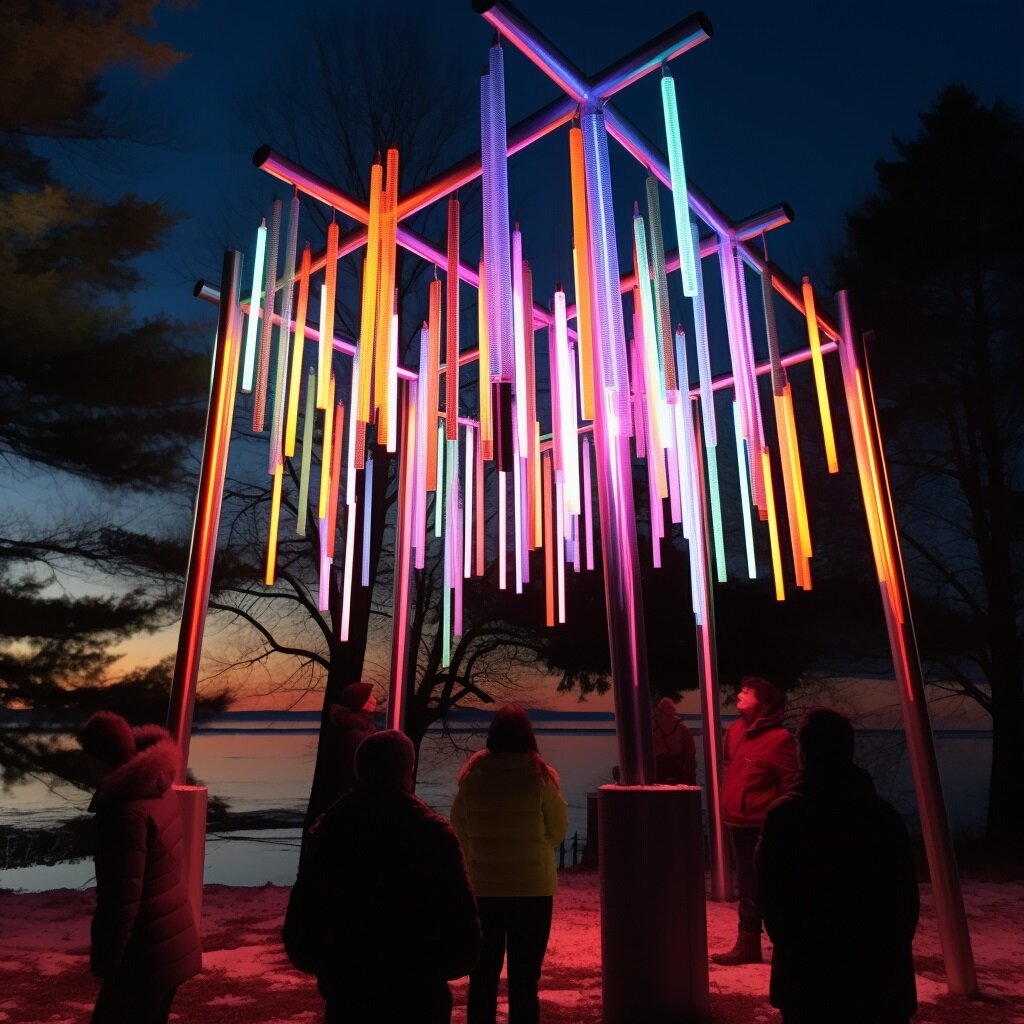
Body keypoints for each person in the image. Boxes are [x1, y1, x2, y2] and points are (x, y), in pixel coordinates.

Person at [290, 729, 481, 1024]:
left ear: (359, 770)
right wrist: (432, 968)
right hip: (420, 994)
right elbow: (463, 931)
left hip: (350, 993)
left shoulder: (332, 832)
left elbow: (303, 923)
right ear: (407, 771)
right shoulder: (432, 835)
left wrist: (331, 966)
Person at [757, 708, 919, 1024]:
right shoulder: (882, 816)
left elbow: (773, 900)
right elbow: (904, 903)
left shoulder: (786, 817)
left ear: (803, 751)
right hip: (879, 982)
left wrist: (796, 952)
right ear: (849, 750)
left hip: (809, 984)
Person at [78, 711, 202, 1024]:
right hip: (170, 941)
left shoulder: (124, 813)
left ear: (98, 758)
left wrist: (106, 962)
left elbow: (122, 901)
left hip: (147, 954)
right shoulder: (156, 787)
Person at [451, 704, 569, 1024]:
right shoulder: (540, 776)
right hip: (532, 888)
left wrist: (479, 851)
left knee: (482, 978)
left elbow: (458, 826)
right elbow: (557, 828)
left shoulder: (473, 776)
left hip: (484, 887)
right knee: (525, 980)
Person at [711, 675, 799, 966]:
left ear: (762, 702)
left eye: (746, 692)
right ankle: (748, 943)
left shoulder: (779, 740)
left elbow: (791, 785)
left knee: (767, 883)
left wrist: (783, 820)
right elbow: (729, 765)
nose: (740, 694)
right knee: (748, 884)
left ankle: (784, 942)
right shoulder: (736, 731)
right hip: (738, 820)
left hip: (762, 823)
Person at [651, 697, 697, 785]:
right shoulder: (682, 728)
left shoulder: (651, 728)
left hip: (657, 771)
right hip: (676, 770)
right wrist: (692, 779)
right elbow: (690, 756)